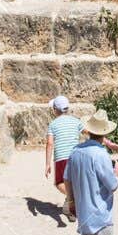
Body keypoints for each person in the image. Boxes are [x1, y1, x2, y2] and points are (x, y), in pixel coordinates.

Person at [65, 109, 118, 235]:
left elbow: (68, 180)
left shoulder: (75, 152)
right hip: (101, 214)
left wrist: (71, 201)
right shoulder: (101, 155)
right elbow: (112, 185)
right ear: (104, 133)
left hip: (84, 210)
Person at [44, 95, 83, 226]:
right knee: (73, 181)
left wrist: (47, 163)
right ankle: (73, 204)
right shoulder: (76, 121)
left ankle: (73, 199)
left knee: (59, 183)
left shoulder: (53, 124)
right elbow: (89, 132)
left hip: (61, 158)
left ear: (55, 109)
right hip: (76, 156)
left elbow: (49, 144)